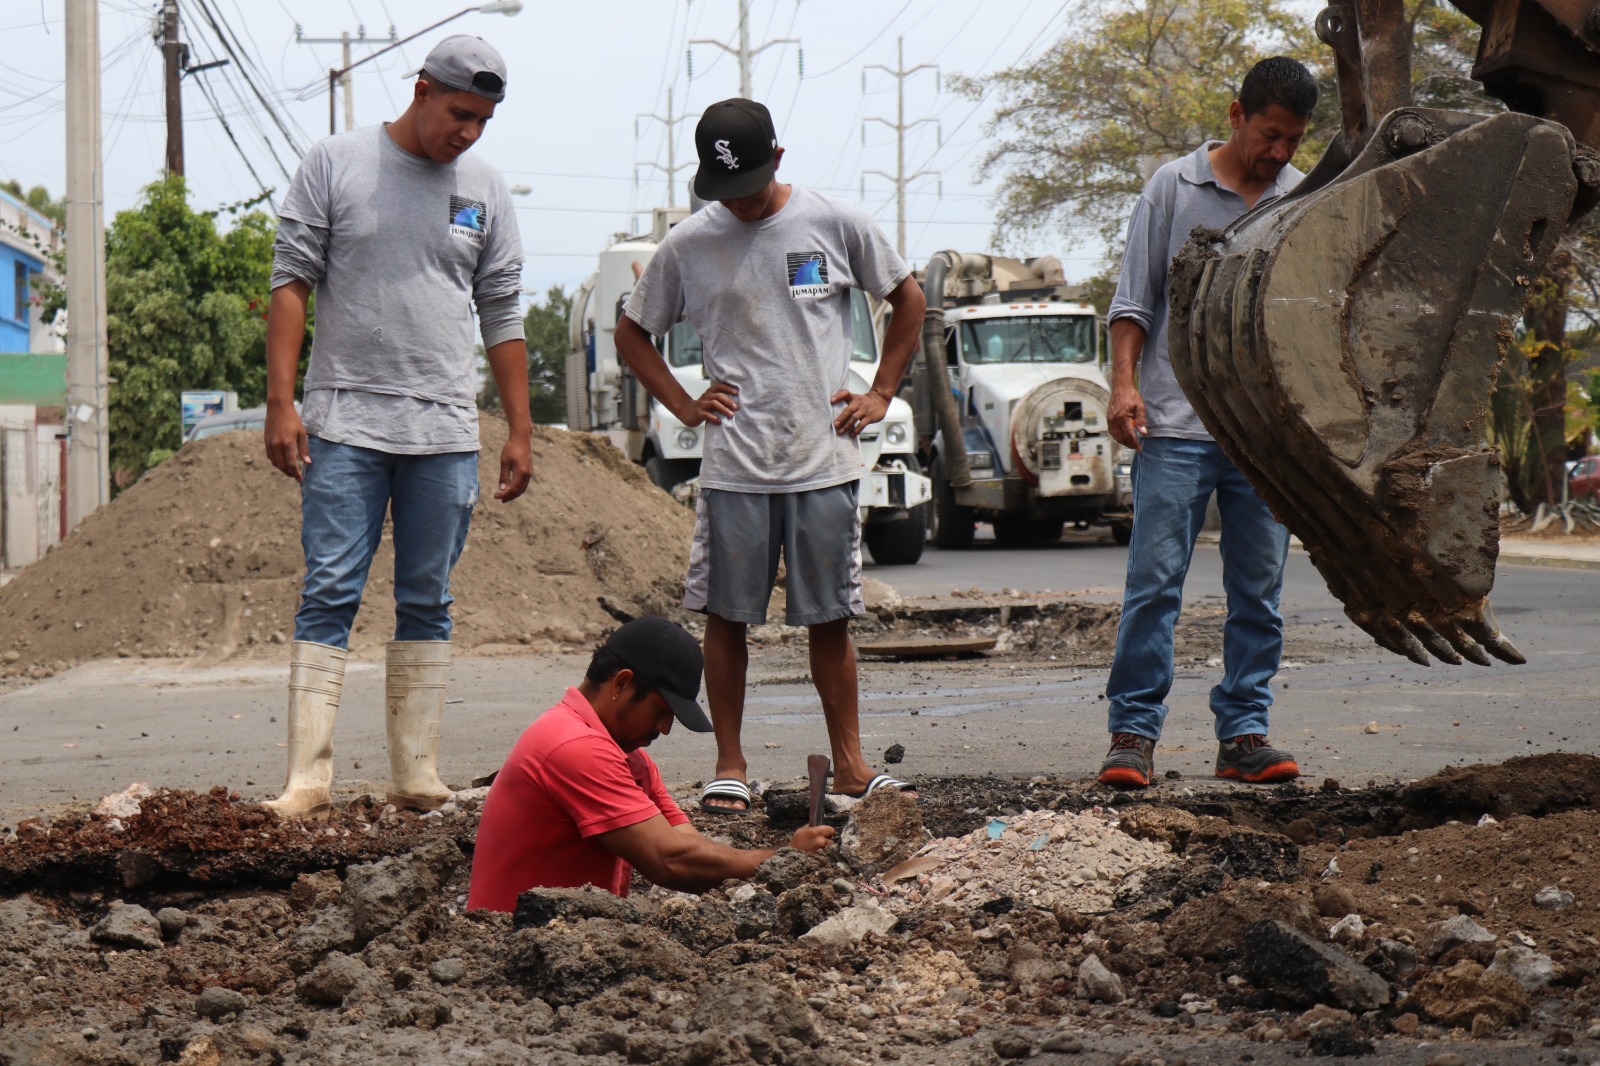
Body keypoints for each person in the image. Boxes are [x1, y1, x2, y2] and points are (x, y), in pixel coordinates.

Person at [613, 98, 927, 815]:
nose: (742, 203)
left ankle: (850, 766)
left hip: (823, 459)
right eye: (726, 191)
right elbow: (633, 332)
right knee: (726, 617)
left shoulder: (835, 222)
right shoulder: (688, 246)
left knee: (829, 617)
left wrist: (881, 390)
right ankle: (730, 763)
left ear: (778, 160)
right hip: (736, 468)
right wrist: (685, 406)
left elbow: (907, 300)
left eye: (752, 186)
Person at [261, 36, 533, 818]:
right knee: (330, 590)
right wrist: (283, 403)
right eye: (458, 115)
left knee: (428, 596)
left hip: (446, 431)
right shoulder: (337, 163)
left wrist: (519, 429)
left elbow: (502, 310)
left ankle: (415, 772)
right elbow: (291, 282)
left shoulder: (485, 189)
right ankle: (307, 779)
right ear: (420, 91)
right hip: (343, 422)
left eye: (482, 120)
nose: (468, 134)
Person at [1098, 57, 1319, 790]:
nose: (1280, 153)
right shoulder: (1173, 187)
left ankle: (1243, 733)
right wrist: (1123, 387)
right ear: (1236, 114)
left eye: (1293, 140)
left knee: (1259, 591)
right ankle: (1132, 733)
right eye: (1270, 135)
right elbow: (1133, 304)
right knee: (1155, 585)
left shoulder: (1303, 197)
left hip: (1263, 439)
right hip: (1174, 427)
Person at [467, 617, 836, 910]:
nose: (665, 728)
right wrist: (783, 859)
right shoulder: (575, 746)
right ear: (623, 684)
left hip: (557, 939)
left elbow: (686, 844)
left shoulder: (630, 758)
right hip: (510, 950)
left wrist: (780, 861)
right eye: (661, 711)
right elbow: (671, 860)